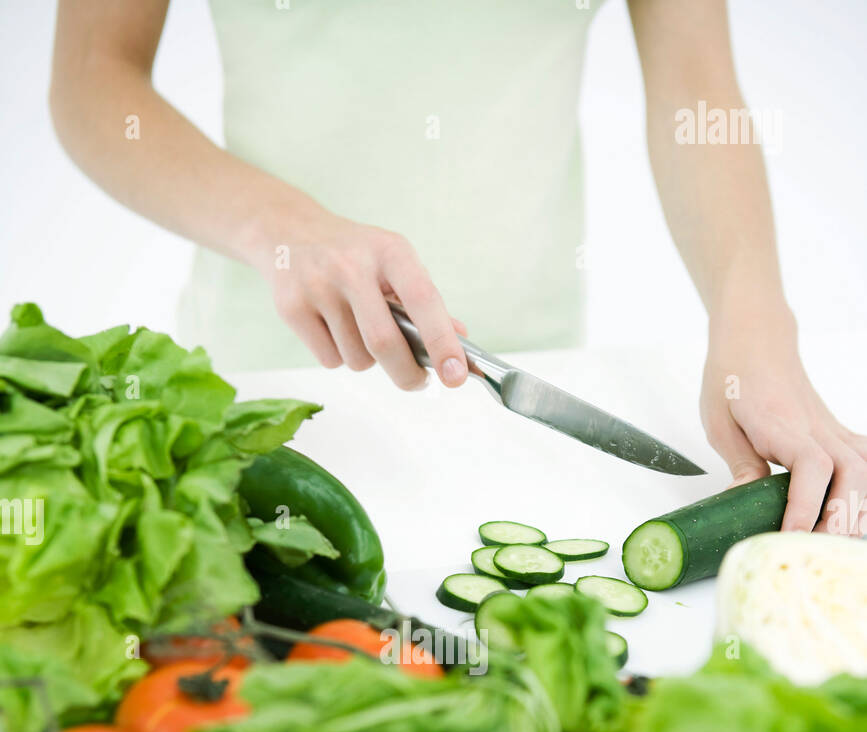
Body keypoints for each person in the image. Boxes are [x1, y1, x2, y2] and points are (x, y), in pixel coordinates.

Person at [50, 0, 866, 535]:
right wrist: (280, 227)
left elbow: (694, 83)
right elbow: (92, 77)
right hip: (268, 388)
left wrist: (753, 319)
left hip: (534, 390)